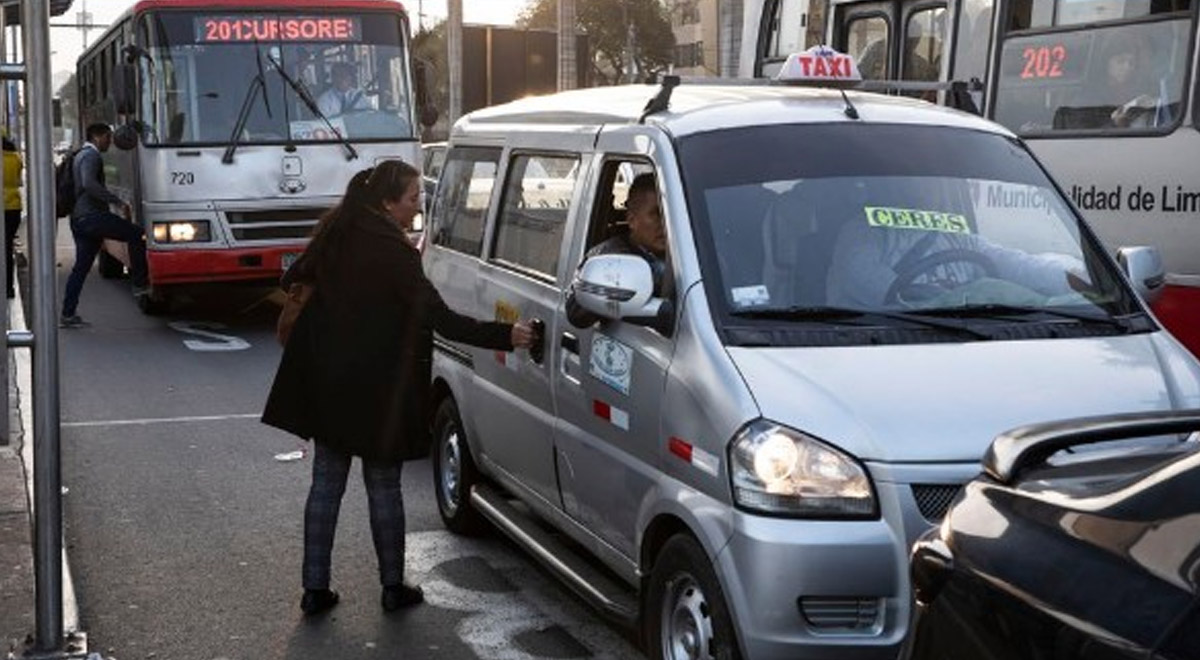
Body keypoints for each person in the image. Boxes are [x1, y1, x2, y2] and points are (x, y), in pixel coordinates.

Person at [261, 160, 535, 616]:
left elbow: (293, 279)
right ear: (388, 202)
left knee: (326, 484)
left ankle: (314, 590)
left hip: (327, 384)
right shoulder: (392, 250)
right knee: (384, 486)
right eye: (412, 199)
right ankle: (392, 587)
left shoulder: (339, 232)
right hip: (379, 392)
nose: (416, 208)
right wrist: (506, 335)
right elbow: (439, 318)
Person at [825, 202, 1085, 308]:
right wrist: (942, 300)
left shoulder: (948, 228)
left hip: (972, 333)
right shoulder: (863, 229)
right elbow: (865, 279)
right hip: (889, 338)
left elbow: (1014, 263)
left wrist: (1076, 279)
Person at [60, 123, 150, 328]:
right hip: (92, 217)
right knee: (137, 235)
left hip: (79, 219)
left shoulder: (79, 154)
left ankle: (68, 314)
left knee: (81, 269)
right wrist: (117, 201)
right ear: (97, 136)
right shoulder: (91, 156)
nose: (110, 142)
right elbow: (88, 183)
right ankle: (140, 283)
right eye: (108, 138)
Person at [566, 173, 669, 328]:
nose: (666, 224)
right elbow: (576, 314)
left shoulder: (694, 253)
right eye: (657, 214)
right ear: (632, 220)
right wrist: (613, 288)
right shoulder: (608, 256)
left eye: (670, 216)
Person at [3, 136, 22, 300]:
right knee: (7, 247)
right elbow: (18, 180)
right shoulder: (15, 156)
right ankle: (8, 287)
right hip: (13, 207)